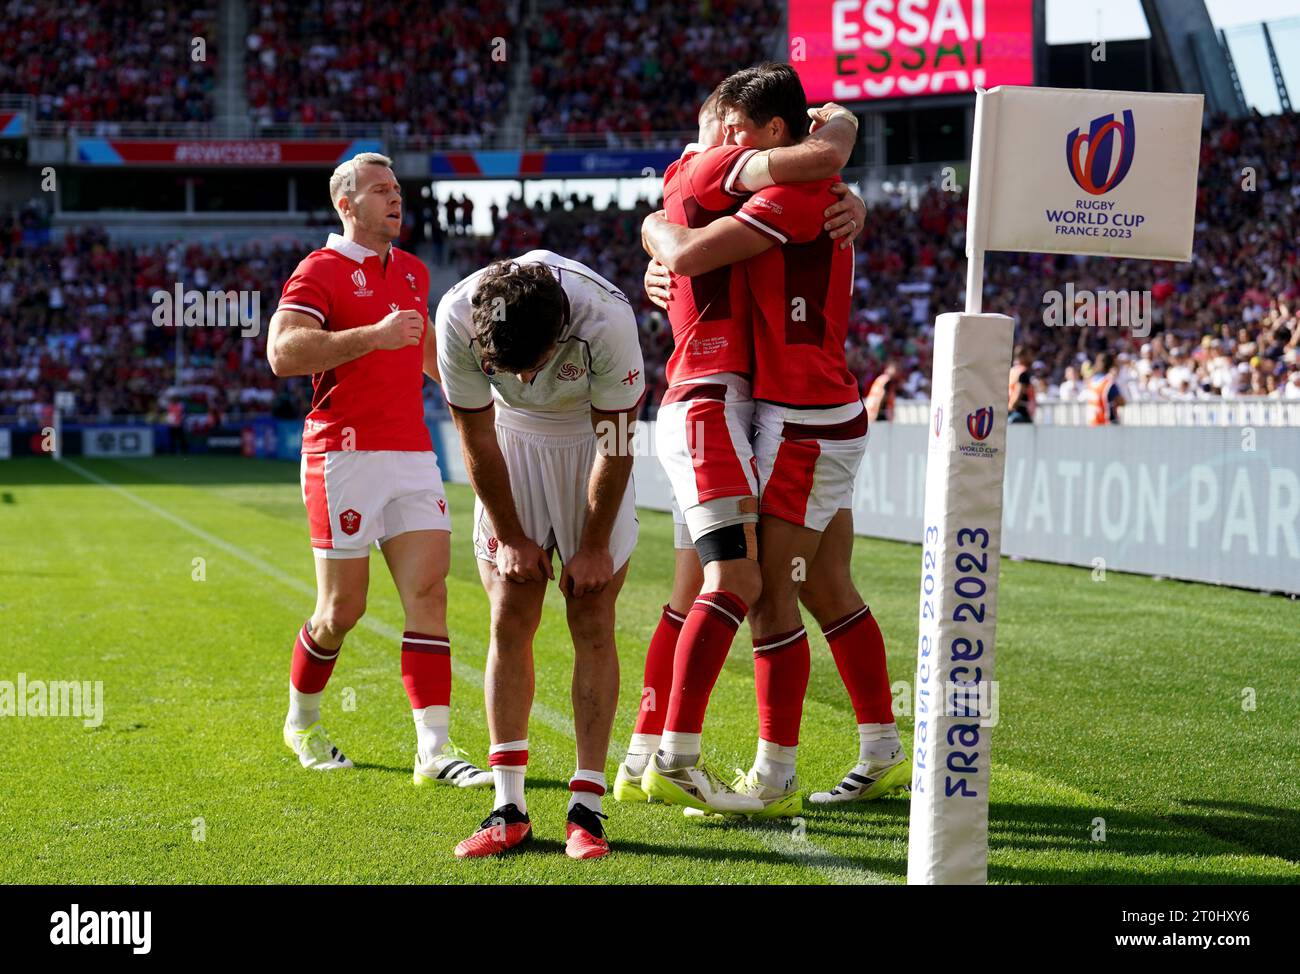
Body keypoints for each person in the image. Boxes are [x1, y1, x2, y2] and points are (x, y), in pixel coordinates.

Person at [641, 63, 909, 816]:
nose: (724, 143)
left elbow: (692, 246)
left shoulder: (792, 192)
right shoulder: (777, 186)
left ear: (775, 135)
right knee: (825, 588)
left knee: (764, 596)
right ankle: (882, 747)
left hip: (801, 419)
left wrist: (656, 235)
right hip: (794, 409)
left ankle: (773, 777)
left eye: (738, 131)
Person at [266, 153, 490, 788]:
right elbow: (283, 353)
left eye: (397, 189)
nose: (396, 198)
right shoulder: (320, 269)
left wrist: (492, 402)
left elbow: (425, 355)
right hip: (343, 452)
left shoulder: (416, 272)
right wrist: (373, 334)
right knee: (342, 609)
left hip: (414, 454)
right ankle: (301, 722)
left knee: (430, 595)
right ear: (347, 205)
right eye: (380, 191)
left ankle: (436, 750)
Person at [436, 252, 643, 859]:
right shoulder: (456, 315)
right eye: (508, 368)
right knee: (510, 613)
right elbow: (475, 437)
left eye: (533, 366)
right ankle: (509, 808)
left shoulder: (607, 318)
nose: (524, 379)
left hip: (591, 441)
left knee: (592, 617)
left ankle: (588, 807)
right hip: (510, 441)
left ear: (560, 335)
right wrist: (509, 537)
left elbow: (618, 440)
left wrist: (597, 545)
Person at [1086, 351, 1125, 425]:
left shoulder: (1091, 382)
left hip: (1095, 424)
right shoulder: (1109, 383)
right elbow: (1122, 402)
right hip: (1107, 424)